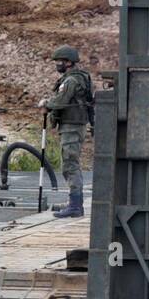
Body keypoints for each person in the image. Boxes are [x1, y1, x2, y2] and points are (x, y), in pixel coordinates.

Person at [41, 45, 93, 219]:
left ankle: (75, 206)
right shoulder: (74, 78)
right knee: (69, 164)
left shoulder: (71, 81)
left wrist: (46, 104)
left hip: (72, 126)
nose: (57, 64)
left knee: (70, 165)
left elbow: (61, 101)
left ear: (69, 62)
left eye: (59, 61)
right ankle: (74, 203)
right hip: (71, 125)